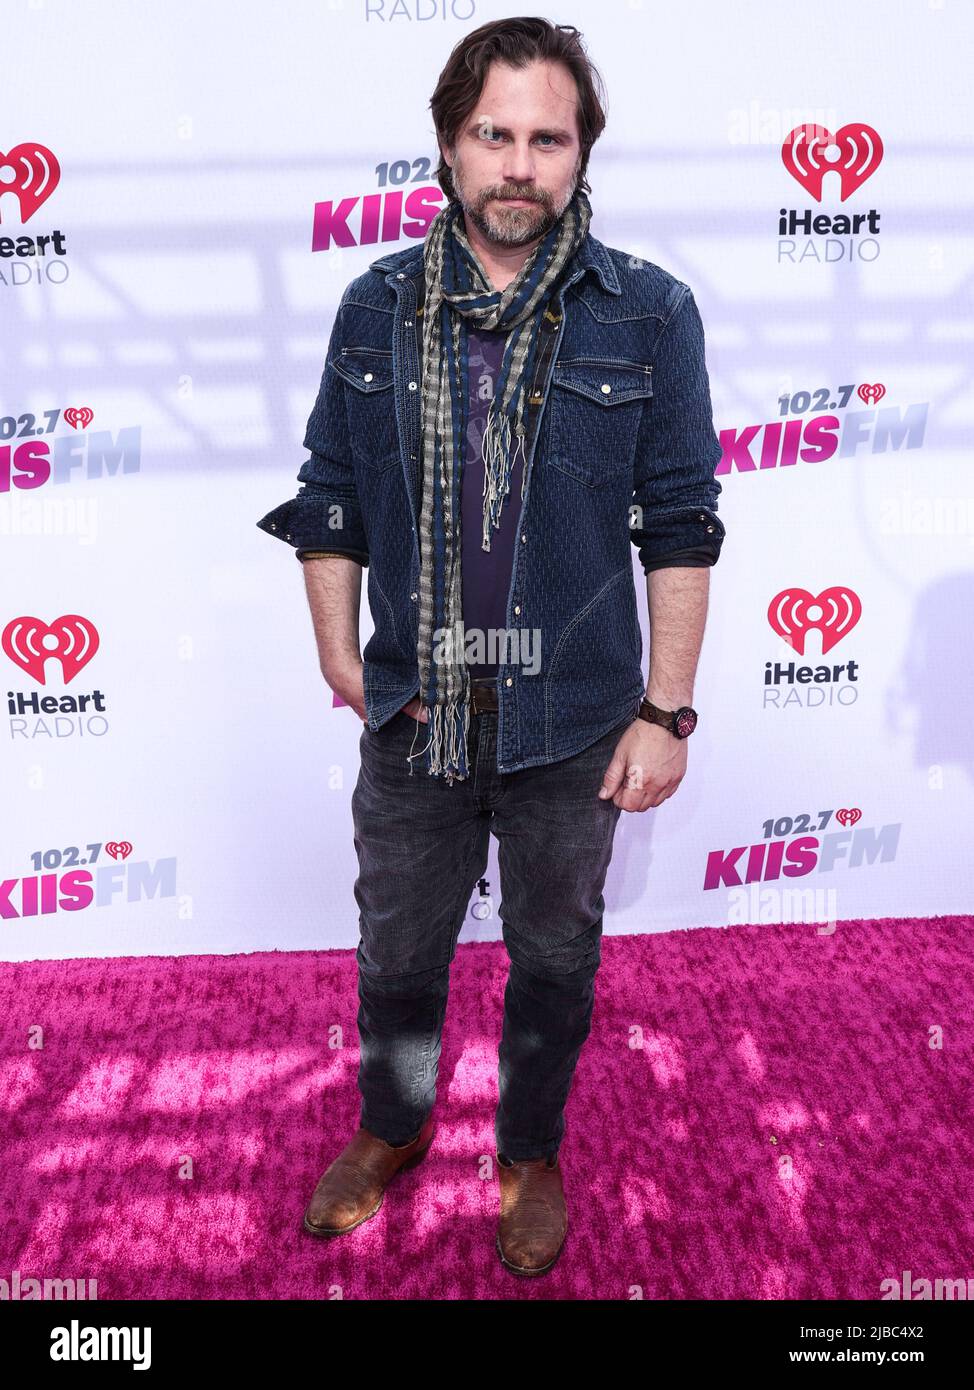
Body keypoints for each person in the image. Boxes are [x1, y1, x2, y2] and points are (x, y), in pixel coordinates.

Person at [256, 16, 726, 1278]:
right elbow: (329, 487)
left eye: (546, 139)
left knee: (554, 960)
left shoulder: (649, 313)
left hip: (573, 724)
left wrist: (664, 713)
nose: (519, 164)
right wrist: (335, 646)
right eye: (493, 135)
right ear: (449, 148)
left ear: (580, 154)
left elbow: (679, 525)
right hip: (416, 714)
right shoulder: (374, 305)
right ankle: (395, 1127)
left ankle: (526, 1150)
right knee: (397, 954)